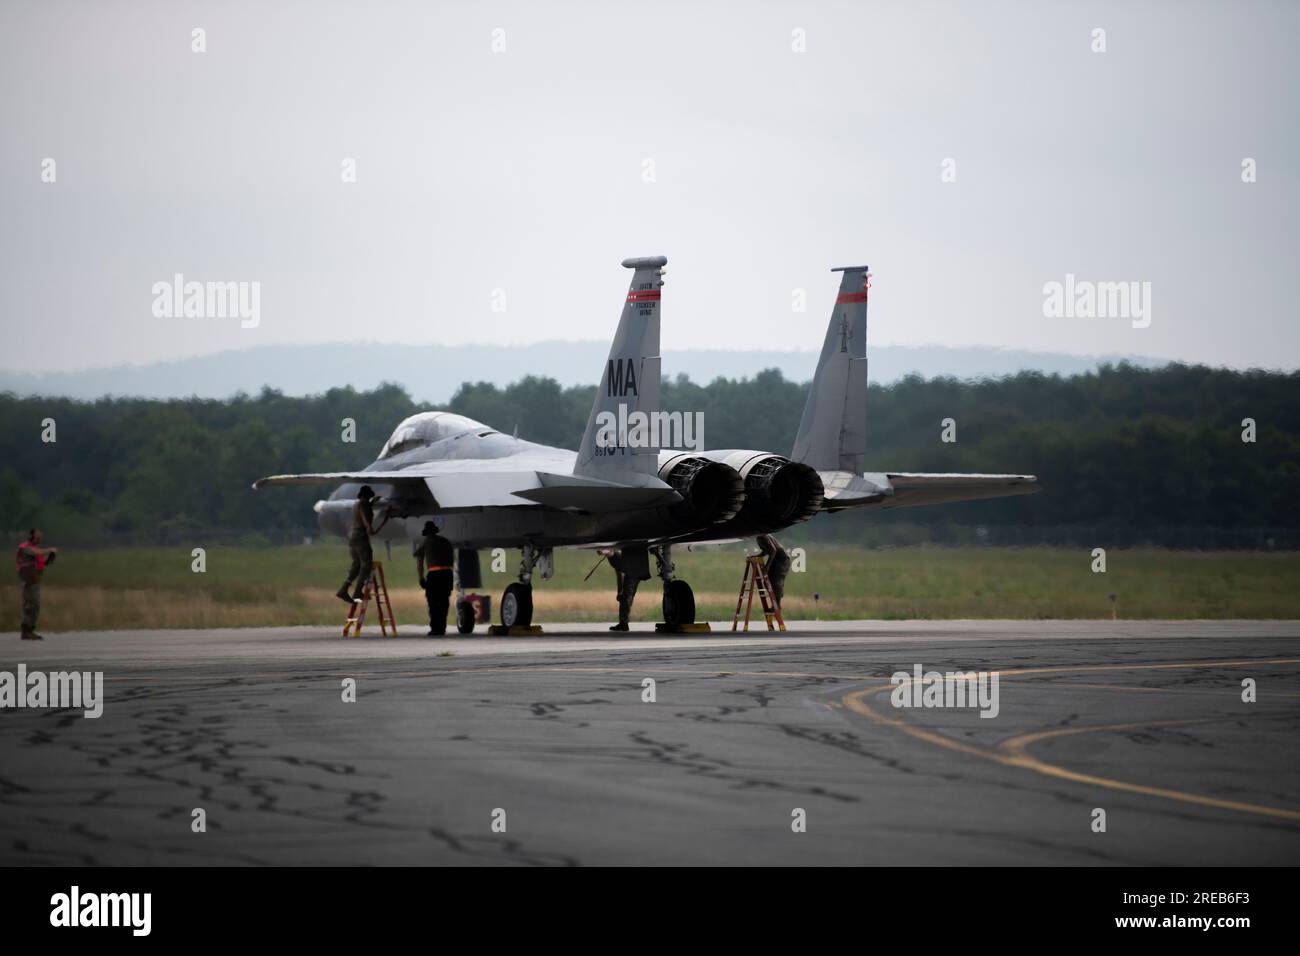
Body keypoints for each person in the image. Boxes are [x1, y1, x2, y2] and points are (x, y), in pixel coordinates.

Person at [336, 485, 389, 603]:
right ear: (367, 495)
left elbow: (363, 510)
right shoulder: (364, 504)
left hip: (352, 535)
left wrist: (373, 503)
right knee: (366, 563)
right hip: (360, 535)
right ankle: (358, 591)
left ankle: (344, 589)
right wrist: (369, 527)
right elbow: (365, 516)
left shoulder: (358, 504)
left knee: (356, 564)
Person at [15, 528, 58, 640]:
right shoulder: (25, 548)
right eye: (37, 537)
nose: (39, 539)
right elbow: (35, 552)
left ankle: (30, 630)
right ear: (31, 537)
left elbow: (42, 563)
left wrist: (50, 558)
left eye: (40, 537)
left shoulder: (35, 549)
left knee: (35, 605)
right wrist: (49, 550)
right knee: (30, 605)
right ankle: (26, 631)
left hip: (35, 580)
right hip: (28, 580)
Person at [416, 520, 454, 636]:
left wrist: (421, 578)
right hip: (447, 574)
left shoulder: (425, 543)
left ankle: (435, 628)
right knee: (444, 602)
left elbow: (420, 563)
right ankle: (442, 627)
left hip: (434, 575)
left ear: (426, 533)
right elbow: (452, 558)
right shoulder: (445, 541)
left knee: (433, 603)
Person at [604, 548, 643, 632]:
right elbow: (619, 574)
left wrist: (621, 591)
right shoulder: (613, 558)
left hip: (633, 573)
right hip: (632, 573)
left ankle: (624, 624)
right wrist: (619, 591)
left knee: (626, 598)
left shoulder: (616, 557)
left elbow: (620, 574)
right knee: (624, 597)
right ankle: (623, 623)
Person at [756, 534, 791, 608]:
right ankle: (775, 603)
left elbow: (773, 550)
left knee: (775, 582)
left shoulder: (763, 536)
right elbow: (766, 550)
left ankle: (777, 605)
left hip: (783, 560)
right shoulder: (758, 537)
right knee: (767, 582)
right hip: (776, 560)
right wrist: (757, 556)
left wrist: (767, 567)